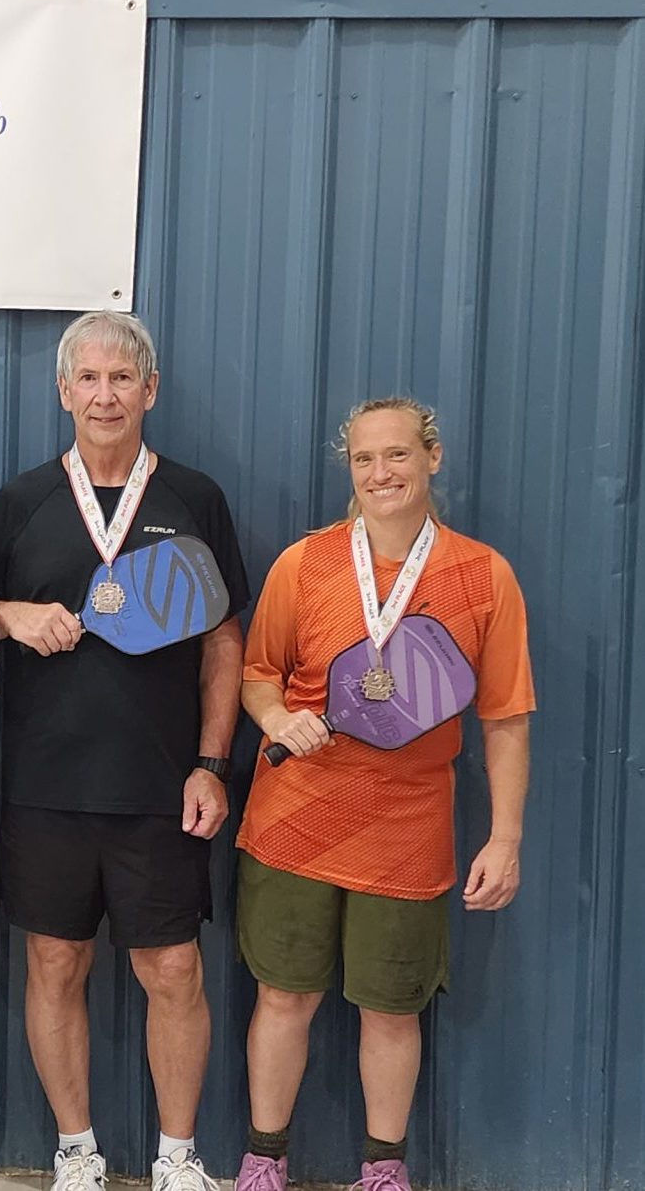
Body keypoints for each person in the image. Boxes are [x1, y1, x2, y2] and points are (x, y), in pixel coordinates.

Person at [0, 311, 249, 1191]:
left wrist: (209, 762)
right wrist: (8, 615)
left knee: (172, 970)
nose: (103, 395)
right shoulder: (20, 502)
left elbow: (223, 641)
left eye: (121, 379)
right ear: (62, 392)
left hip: (161, 786)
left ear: (149, 390)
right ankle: (76, 1153)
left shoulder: (192, 500)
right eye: (86, 379)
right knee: (54, 962)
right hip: (46, 788)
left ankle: (176, 1157)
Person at [231, 397, 534, 1191]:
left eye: (396, 455)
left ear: (430, 458)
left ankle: (382, 1172)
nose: (380, 474)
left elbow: (504, 718)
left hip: (407, 829)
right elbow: (257, 672)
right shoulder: (305, 564)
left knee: (392, 1009)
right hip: (293, 818)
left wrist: (504, 837)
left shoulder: (481, 575)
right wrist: (276, 715)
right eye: (364, 460)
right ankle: (262, 1162)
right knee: (282, 997)